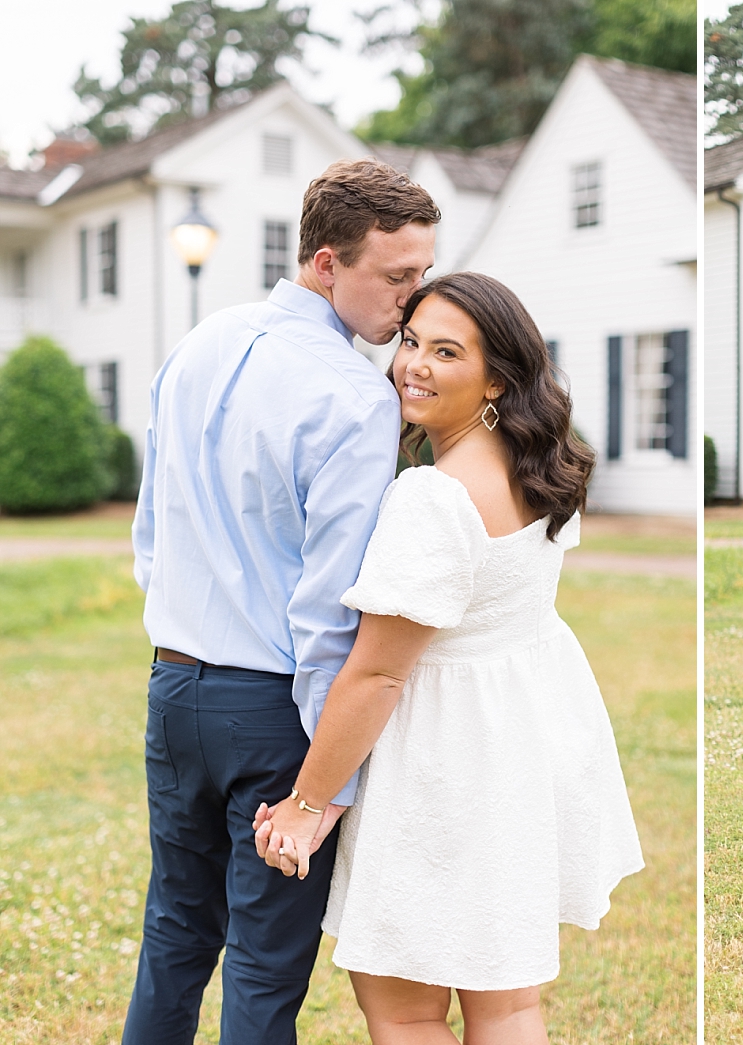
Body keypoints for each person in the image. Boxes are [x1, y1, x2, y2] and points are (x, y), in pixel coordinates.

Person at [253, 271, 644, 1044]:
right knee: (508, 1002)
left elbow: (378, 671)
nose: (413, 365)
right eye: (409, 342)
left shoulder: (435, 497)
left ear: (495, 376)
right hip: (521, 750)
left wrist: (307, 805)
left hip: (443, 765)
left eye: (445, 351)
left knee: (404, 1011)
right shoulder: (543, 471)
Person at [125, 158, 439, 1045]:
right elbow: (331, 612)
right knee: (263, 964)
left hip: (172, 687)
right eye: (397, 276)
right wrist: (323, 784)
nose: (413, 300)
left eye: (422, 273)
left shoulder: (198, 343)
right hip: (273, 708)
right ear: (327, 263)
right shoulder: (352, 398)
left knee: (175, 934)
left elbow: (152, 538)